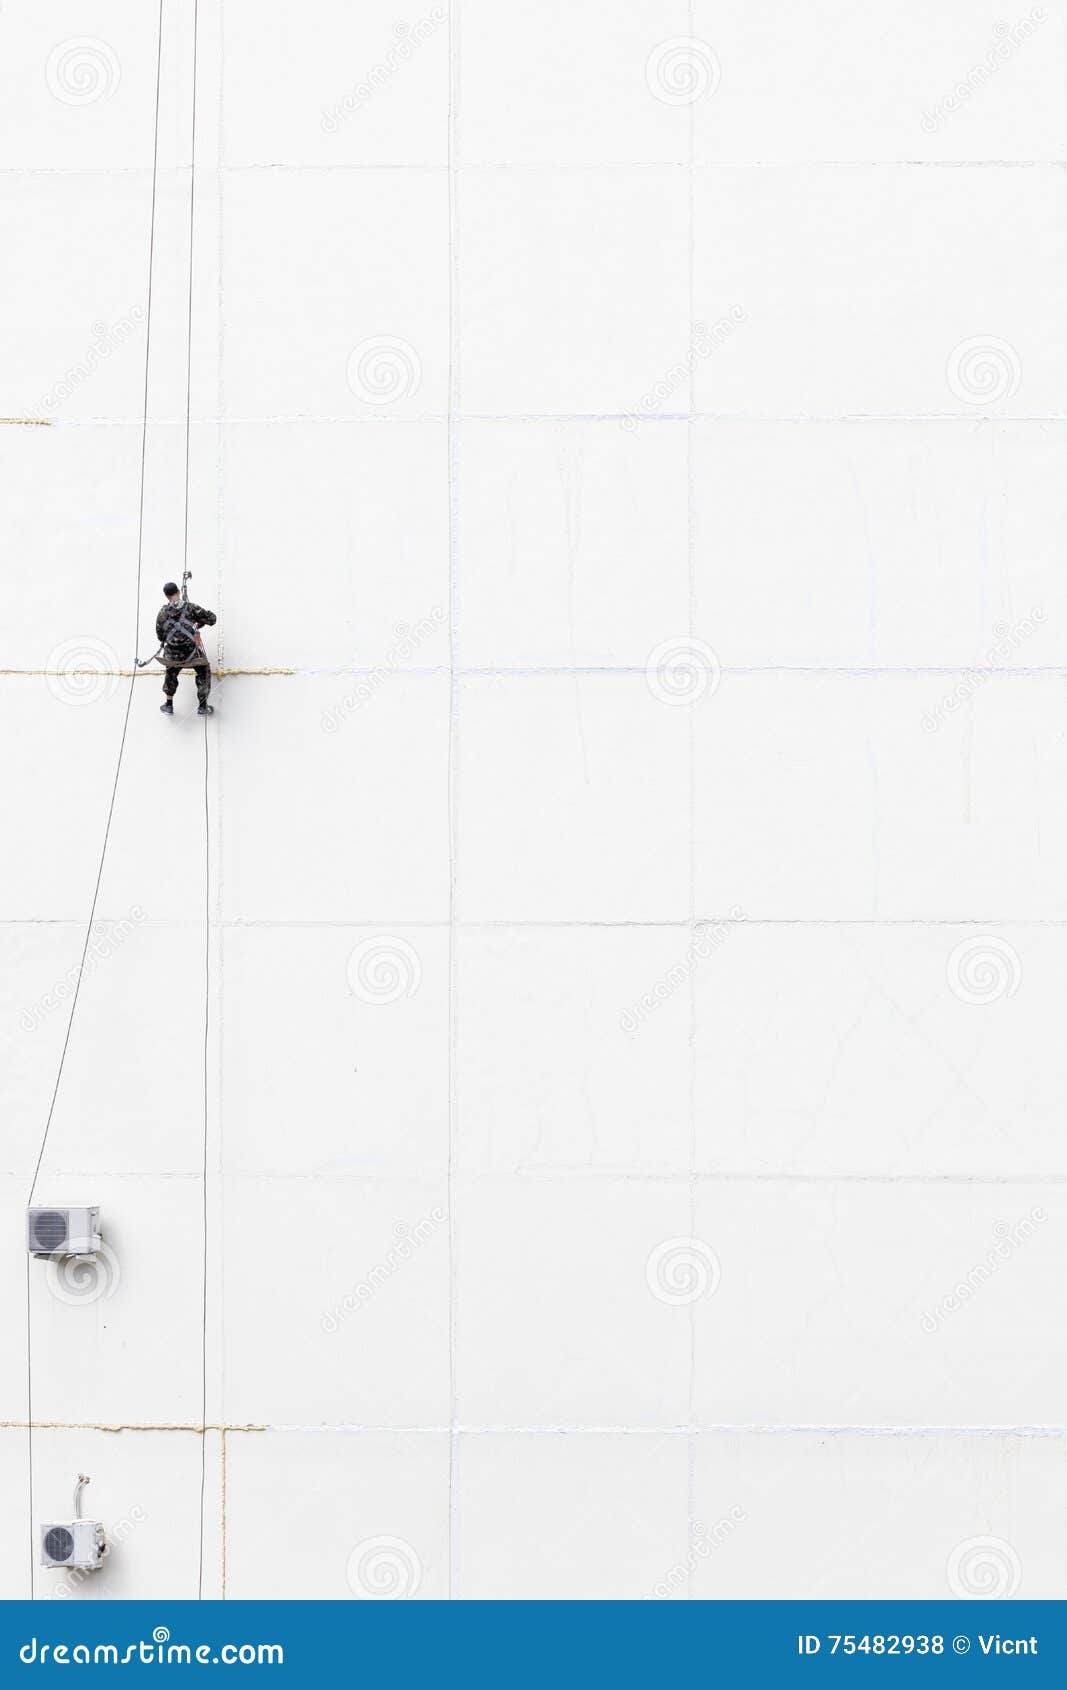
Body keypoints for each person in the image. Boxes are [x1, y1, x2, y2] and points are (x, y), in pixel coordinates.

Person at [156, 582, 217, 715]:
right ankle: (202, 707)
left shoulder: (162, 613)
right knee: (203, 671)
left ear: (166, 596)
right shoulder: (191, 608)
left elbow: (160, 636)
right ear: (179, 592)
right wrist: (198, 623)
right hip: (192, 655)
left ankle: (169, 705)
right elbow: (212, 619)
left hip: (172, 657)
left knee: (171, 671)